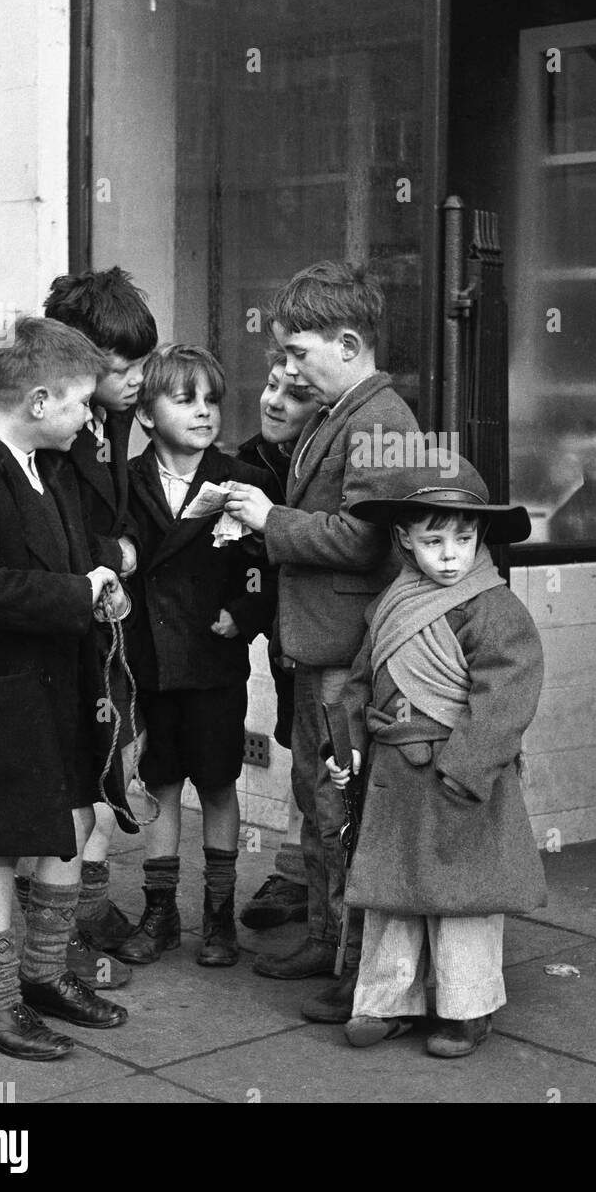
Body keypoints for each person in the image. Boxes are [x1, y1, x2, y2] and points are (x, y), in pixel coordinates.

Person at [0, 318, 132, 1060]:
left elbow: (71, 555)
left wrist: (102, 578)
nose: (91, 416)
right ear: (40, 401)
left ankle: (44, 977)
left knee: (70, 826)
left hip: (59, 686)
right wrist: (79, 594)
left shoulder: (52, 465)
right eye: (82, 402)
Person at [225, 261, 420, 1022]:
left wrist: (267, 518)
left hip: (347, 652)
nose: (289, 368)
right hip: (321, 647)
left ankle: (358, 968)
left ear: (347, 342)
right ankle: (327, 938)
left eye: (299, 352)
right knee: (320, 797)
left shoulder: (378, 419)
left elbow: (363, 541)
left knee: (344, 807)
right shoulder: (347, 410)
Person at [324, 457, 547, 1057]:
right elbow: (361, 681)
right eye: (433, 540)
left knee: (462, 900)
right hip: (395, 775)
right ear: (403, 540)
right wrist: (344, 749)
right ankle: (385, 1003)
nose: (450, 554)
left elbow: (506, 693)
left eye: (464, 539)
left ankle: (465, 1009)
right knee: (390, 896)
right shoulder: (394, 604)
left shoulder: (495, 610)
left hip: (459, 777)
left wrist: (467, 769)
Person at [112, 345, 276, 967]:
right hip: (150, 659)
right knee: (157, 783)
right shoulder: (125, 484)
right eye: (185, 400)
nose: (204, 412)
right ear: (149, 415)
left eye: (211, 400)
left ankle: (218, 917)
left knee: (216, 783)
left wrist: (246, 612)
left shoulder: (244, 480)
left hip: (213, 659)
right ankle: (159, 914)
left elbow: (266, 568)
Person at [16, 267, 158, 978]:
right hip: (66, 619)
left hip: (104, 620)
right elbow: (49, 532)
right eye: (121, 366)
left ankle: (89, 907)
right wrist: (114, 553)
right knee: (62, 787)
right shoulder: (52, 430)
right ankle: (55, 927)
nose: (135, 380)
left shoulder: (113, 415)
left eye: (140, 364)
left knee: (103, 771)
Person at [236, 351, 321, 931]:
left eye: (292, 396)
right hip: (283, 629)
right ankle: (295, 871)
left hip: (329, 628)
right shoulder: (250, 460)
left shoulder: (333, 461)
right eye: (270, 387)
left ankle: (307, 872)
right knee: (297, 743)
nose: (273, 402)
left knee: (326, 757)